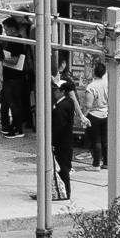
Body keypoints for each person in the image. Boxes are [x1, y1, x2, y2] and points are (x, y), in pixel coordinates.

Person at [49, 56, 86, 200]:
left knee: (62, 168)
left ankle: (63, 192)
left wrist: (52, 141)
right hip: (66, 141)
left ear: (62, 91)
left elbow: (58, 126)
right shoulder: (68, 103)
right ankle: (62, 192)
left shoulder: (61, 107)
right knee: (64, 166)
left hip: (61, 142)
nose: (54, 92)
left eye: (56, 90)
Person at [83, 55, 110, 170]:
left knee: (96, 140)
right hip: (106, 113)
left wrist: (83, 116)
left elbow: (88, 105)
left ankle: (95, 164)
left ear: (94, 72)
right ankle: (107, 163)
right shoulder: (108, 84)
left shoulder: (91, 86)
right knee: (105, 140)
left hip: (94, 115)